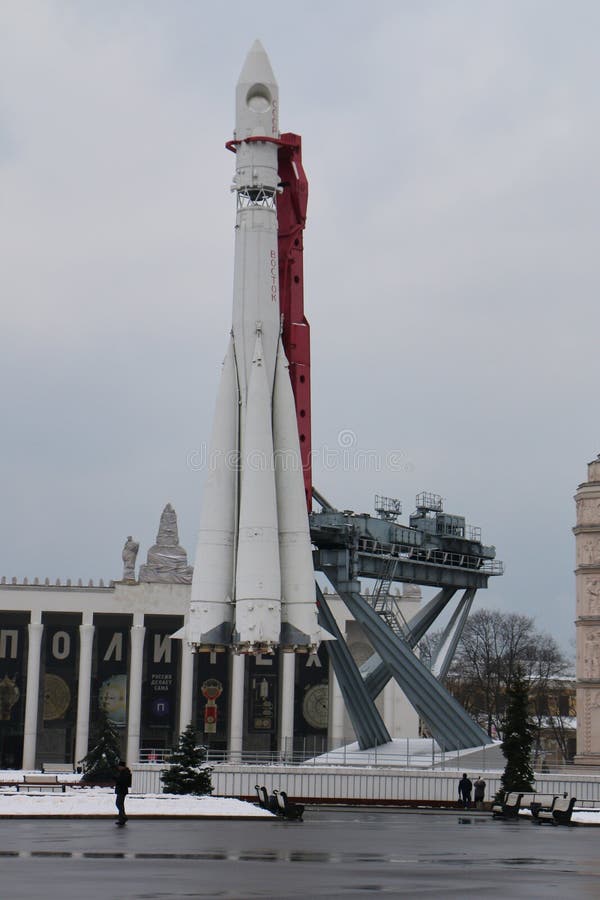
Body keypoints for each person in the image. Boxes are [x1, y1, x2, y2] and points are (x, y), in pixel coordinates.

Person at [114, 759, 132, 826]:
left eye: (119, 766)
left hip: (122, 790)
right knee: (120, 804)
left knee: (118, 804)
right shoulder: (123, 772)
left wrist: (117, 779)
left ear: (122, 767)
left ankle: (124, 817)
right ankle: (121, 819)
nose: (118, 767)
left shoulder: (125, 773)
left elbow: (123, 781)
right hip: (121, 790)